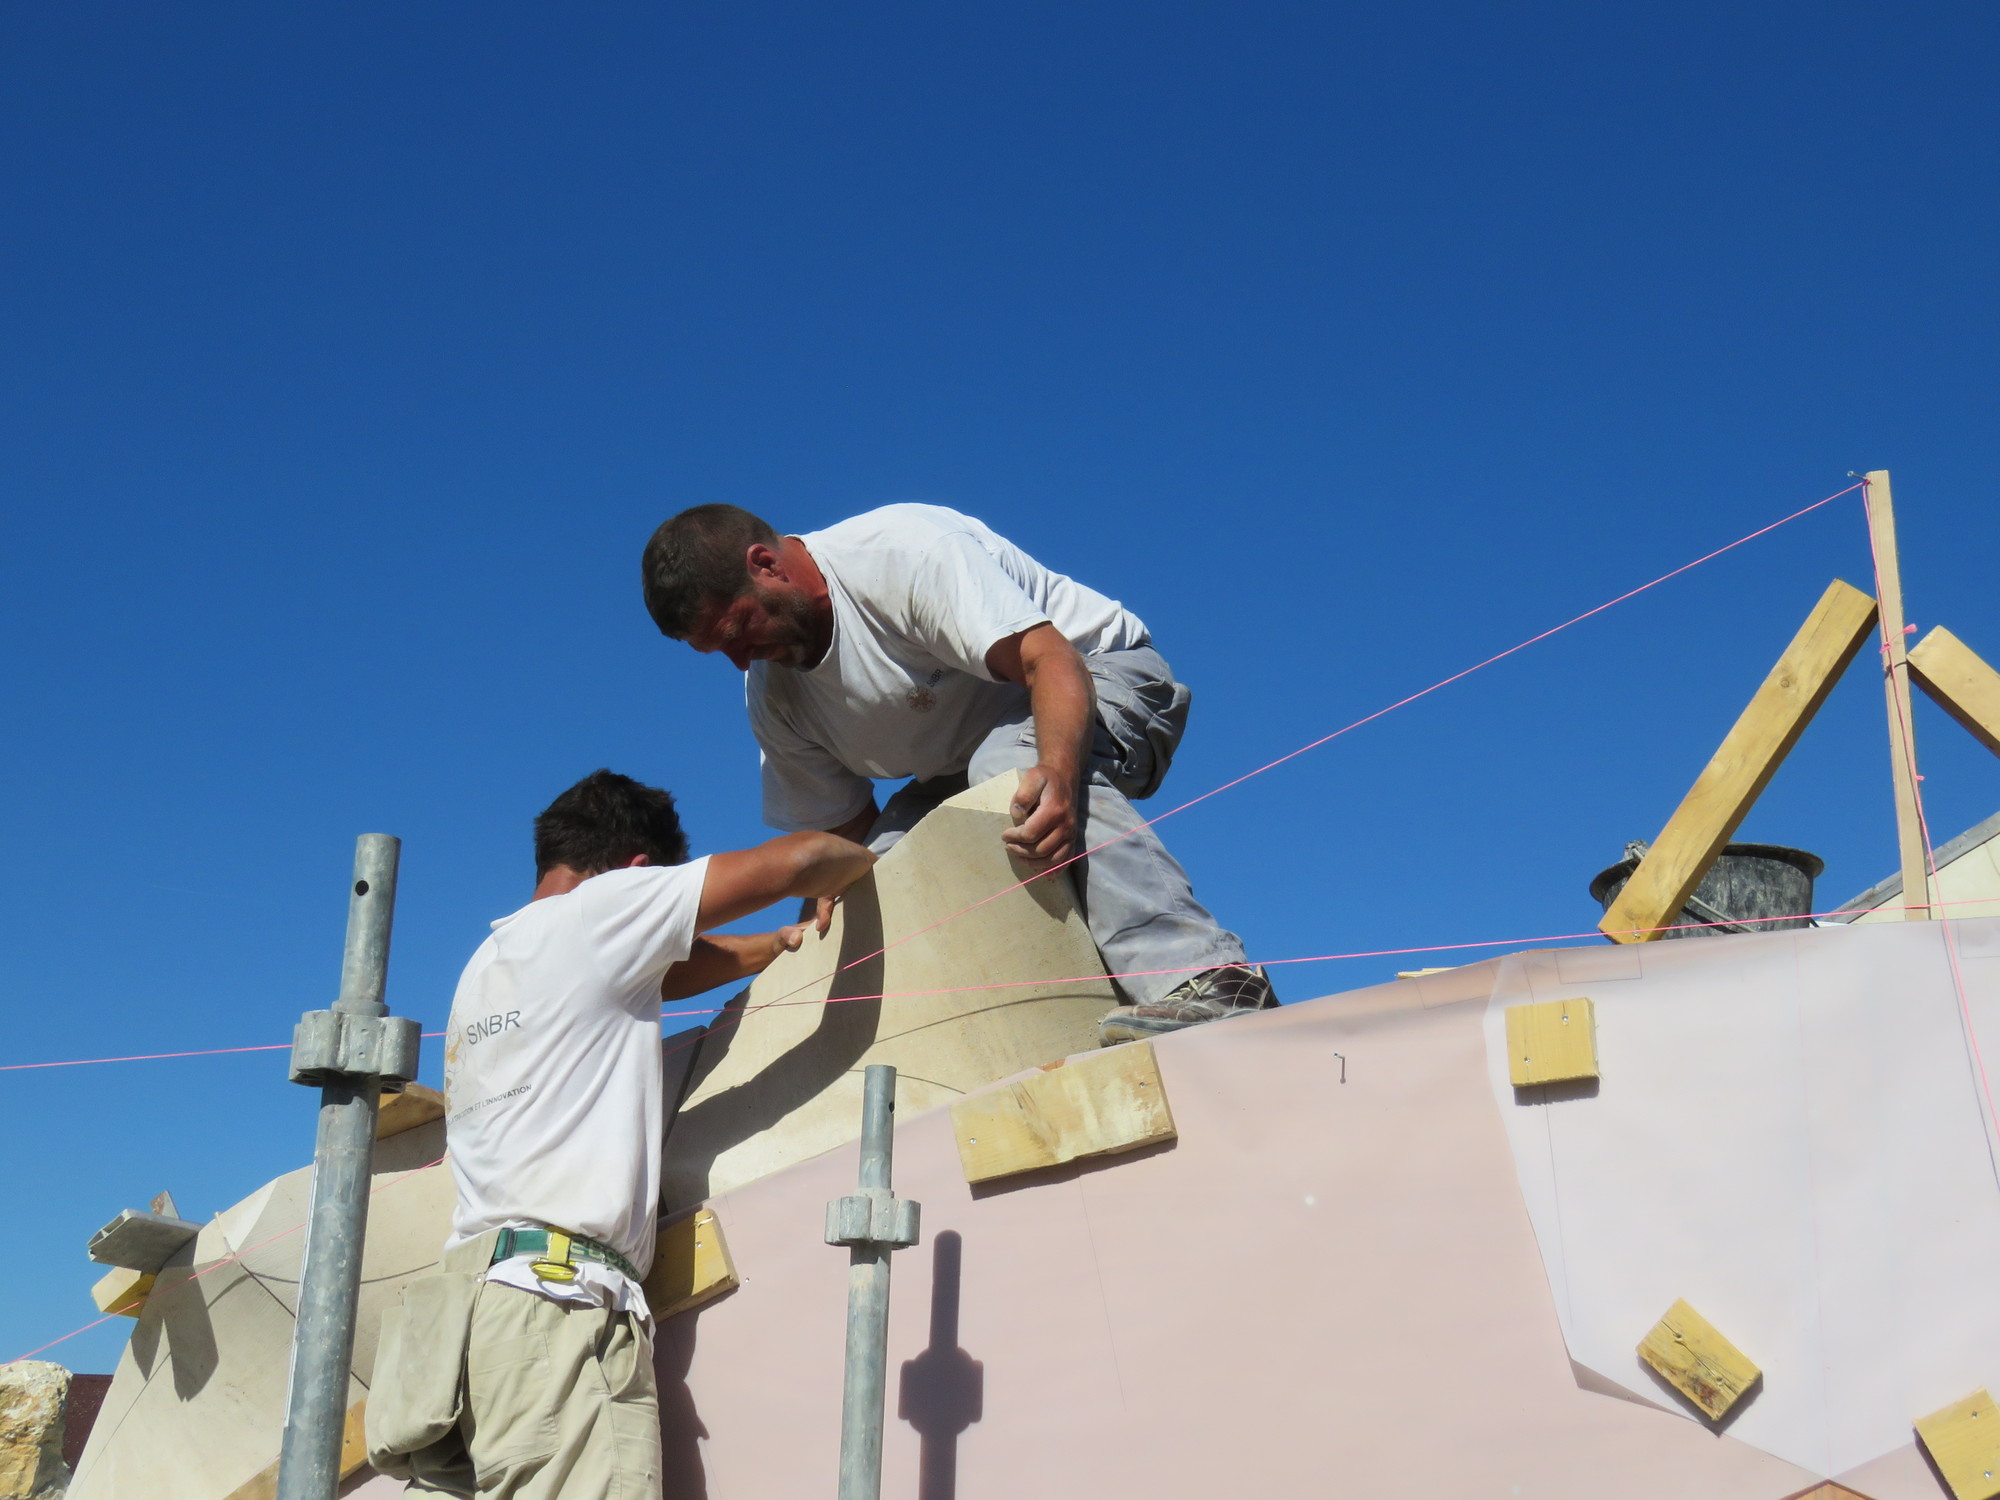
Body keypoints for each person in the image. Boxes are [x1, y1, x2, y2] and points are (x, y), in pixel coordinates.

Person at [367, 769, 874, 1498]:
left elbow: (667, 974)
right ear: (638, 869)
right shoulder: (604, 909)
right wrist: (866, 866)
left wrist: (775, 945)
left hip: (472, 1322)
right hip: (558, 1304)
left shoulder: (497, 960)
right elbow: (801, 861)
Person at [638, 502, 1275, 1046]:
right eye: (717, 652)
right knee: (871, 878)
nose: (740, 660)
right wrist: (813, 946)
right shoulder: (773, 696)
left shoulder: (900, 555)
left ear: (766, 565)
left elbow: (1048, 660)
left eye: (738, 632)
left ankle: (1210, 982)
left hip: (1098, 678)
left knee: (1011, 768)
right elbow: (841, 850)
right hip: (964, 768)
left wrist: (1053, 768)